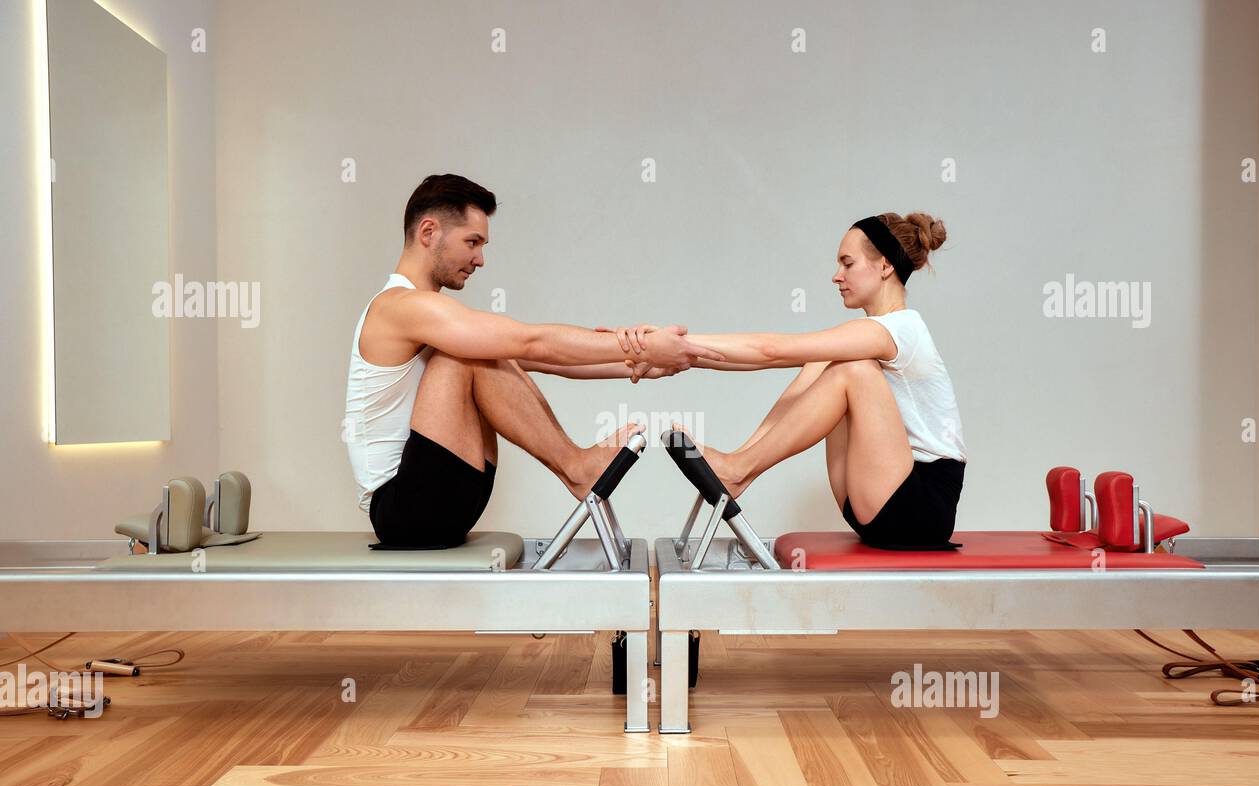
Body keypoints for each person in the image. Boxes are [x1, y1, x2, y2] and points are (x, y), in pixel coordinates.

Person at [344, 173, 722, 547]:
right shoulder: (398, 307)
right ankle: (575, 468)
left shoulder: (432, 317)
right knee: (472, 352)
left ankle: (576, 467)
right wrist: (639, 349)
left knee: (486, 348)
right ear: (428, 232)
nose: (480, 259)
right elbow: (530, 341)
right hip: (404, 511)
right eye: (472, 242)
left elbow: (550, 360)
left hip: (448, 493)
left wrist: (641, 365)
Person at [613, 212, 968, 549]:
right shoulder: (873, 333)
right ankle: (739, 465)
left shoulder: (902, 329)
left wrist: (677, 345)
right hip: (878, 497)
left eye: (847, 263)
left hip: (921, 508)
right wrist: (675, 356)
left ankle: (738, 470)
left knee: (853, 370)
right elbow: (768, 354)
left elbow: (772, 350)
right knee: (825, 358)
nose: (836, 276)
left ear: (886, 265)